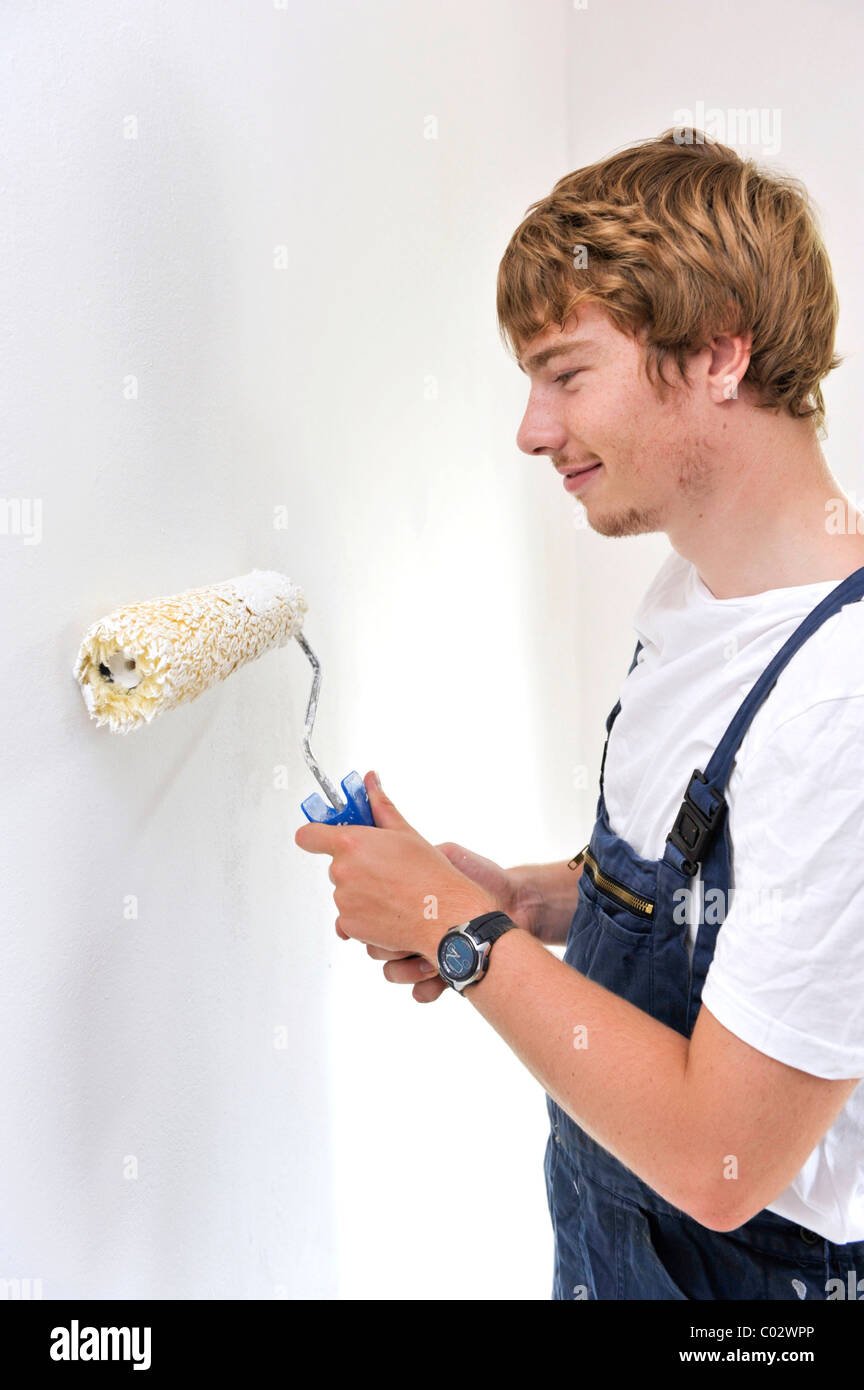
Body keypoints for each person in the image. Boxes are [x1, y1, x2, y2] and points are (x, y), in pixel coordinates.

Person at [296, 128, 864, 1300]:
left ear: (716, 355)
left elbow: (724, 1163)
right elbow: (722, 885)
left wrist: (463, 933)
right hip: (617, 1235)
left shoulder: (841, 701)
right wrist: (530, 898)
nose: (532, 429)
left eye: (566, 374)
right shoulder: (704, 592)